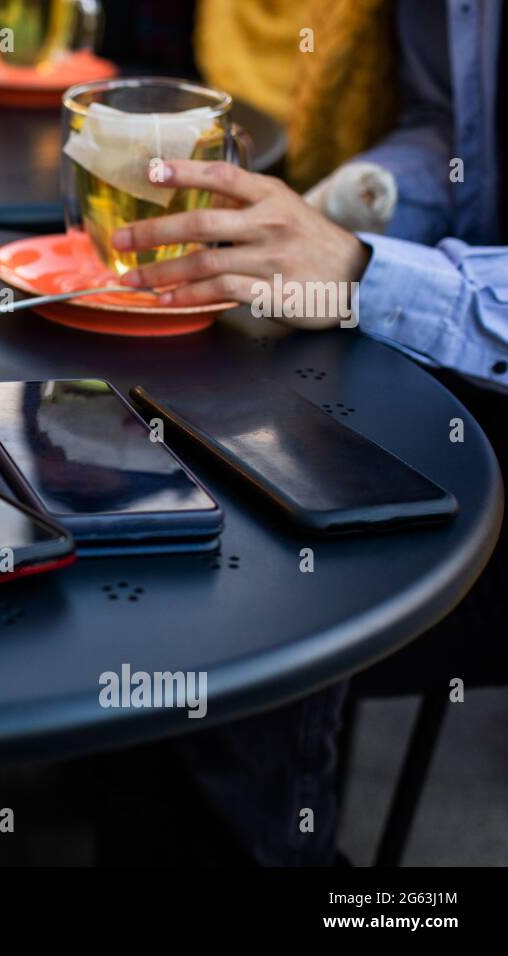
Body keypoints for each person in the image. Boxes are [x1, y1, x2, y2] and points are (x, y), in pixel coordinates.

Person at [95, 0, 507, 866]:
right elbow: (451, 134)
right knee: (149, 481)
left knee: (256, 583)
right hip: (461, 358)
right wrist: (346, 206)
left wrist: (362, 269)